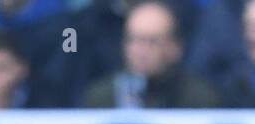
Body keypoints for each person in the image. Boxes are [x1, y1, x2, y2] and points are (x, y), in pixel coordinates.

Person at [81, 0, 221, 107]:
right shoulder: (101, 99)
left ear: (175, 48)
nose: (141, 51)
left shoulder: (200, 100)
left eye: (151, 41)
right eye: (133, 40)